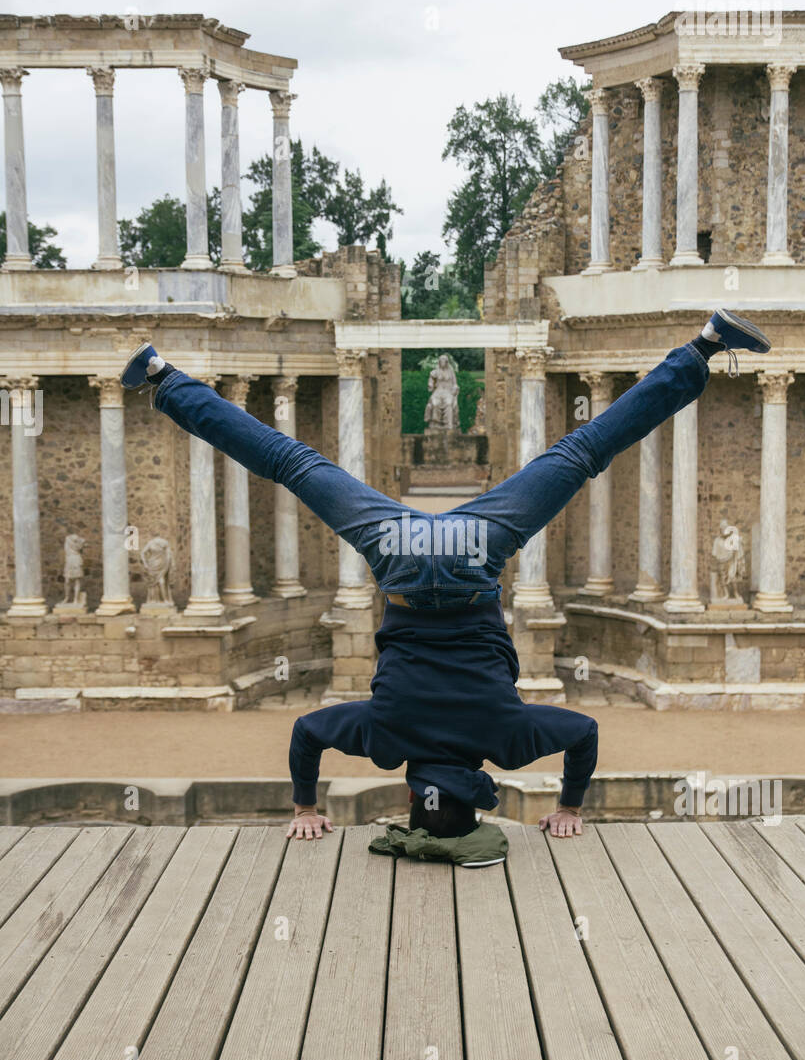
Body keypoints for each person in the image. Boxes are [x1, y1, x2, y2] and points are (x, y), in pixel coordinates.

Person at [121, 309, 771, 843]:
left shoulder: (506, 741)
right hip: (400, 557)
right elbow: (307, 735)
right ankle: (160, 374)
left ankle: (704, 345)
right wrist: (303, 808)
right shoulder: (384, 739)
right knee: (290, 461)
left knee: (582, 450)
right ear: (411, 788)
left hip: (471, 556)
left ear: (475, 787)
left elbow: (584, 735)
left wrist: (571, 806)